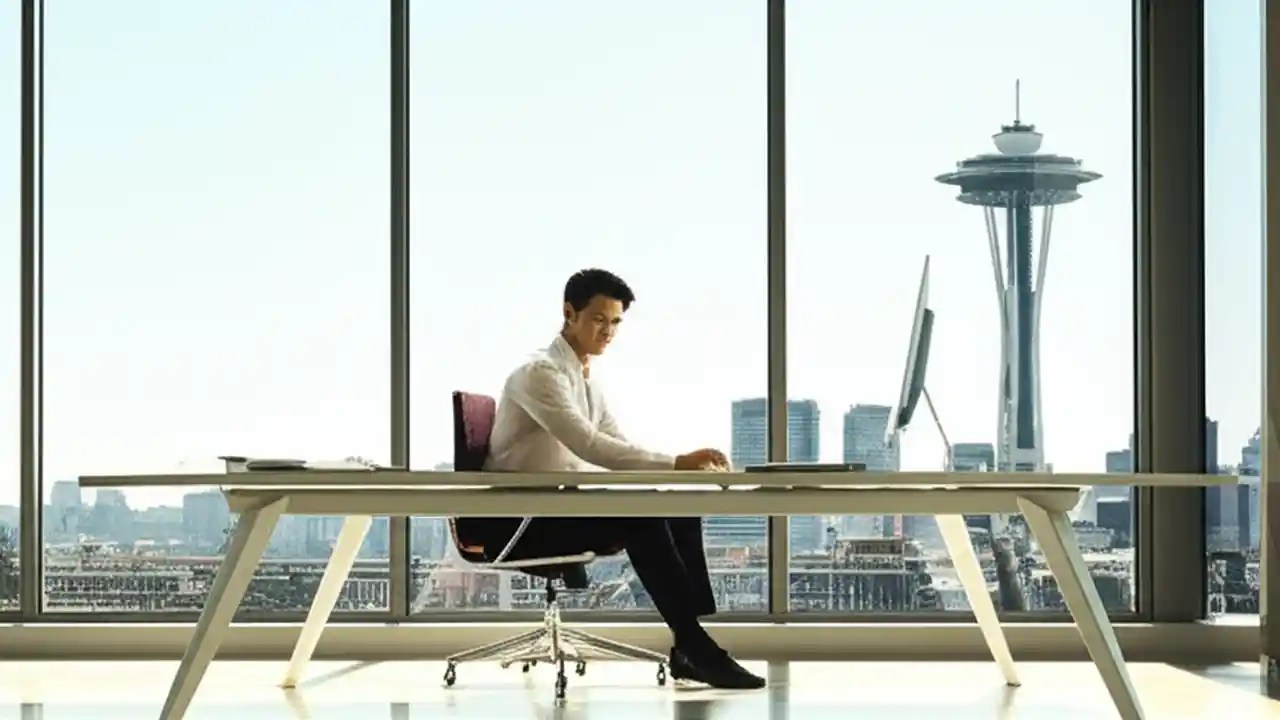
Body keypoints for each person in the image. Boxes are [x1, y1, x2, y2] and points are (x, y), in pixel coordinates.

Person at [480, 268, 766, 690]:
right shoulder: (540, 375)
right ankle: (697, 647)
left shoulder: (586, 383)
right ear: (568, 313)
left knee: (671, 506)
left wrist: (680, 471)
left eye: (615, 322)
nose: (608, 331)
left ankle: (688, 643)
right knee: (643, 515)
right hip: (518, 523)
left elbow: (619, 447)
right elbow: (590, 445)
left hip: (556, 511)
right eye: (598, 319)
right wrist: (678, 463)